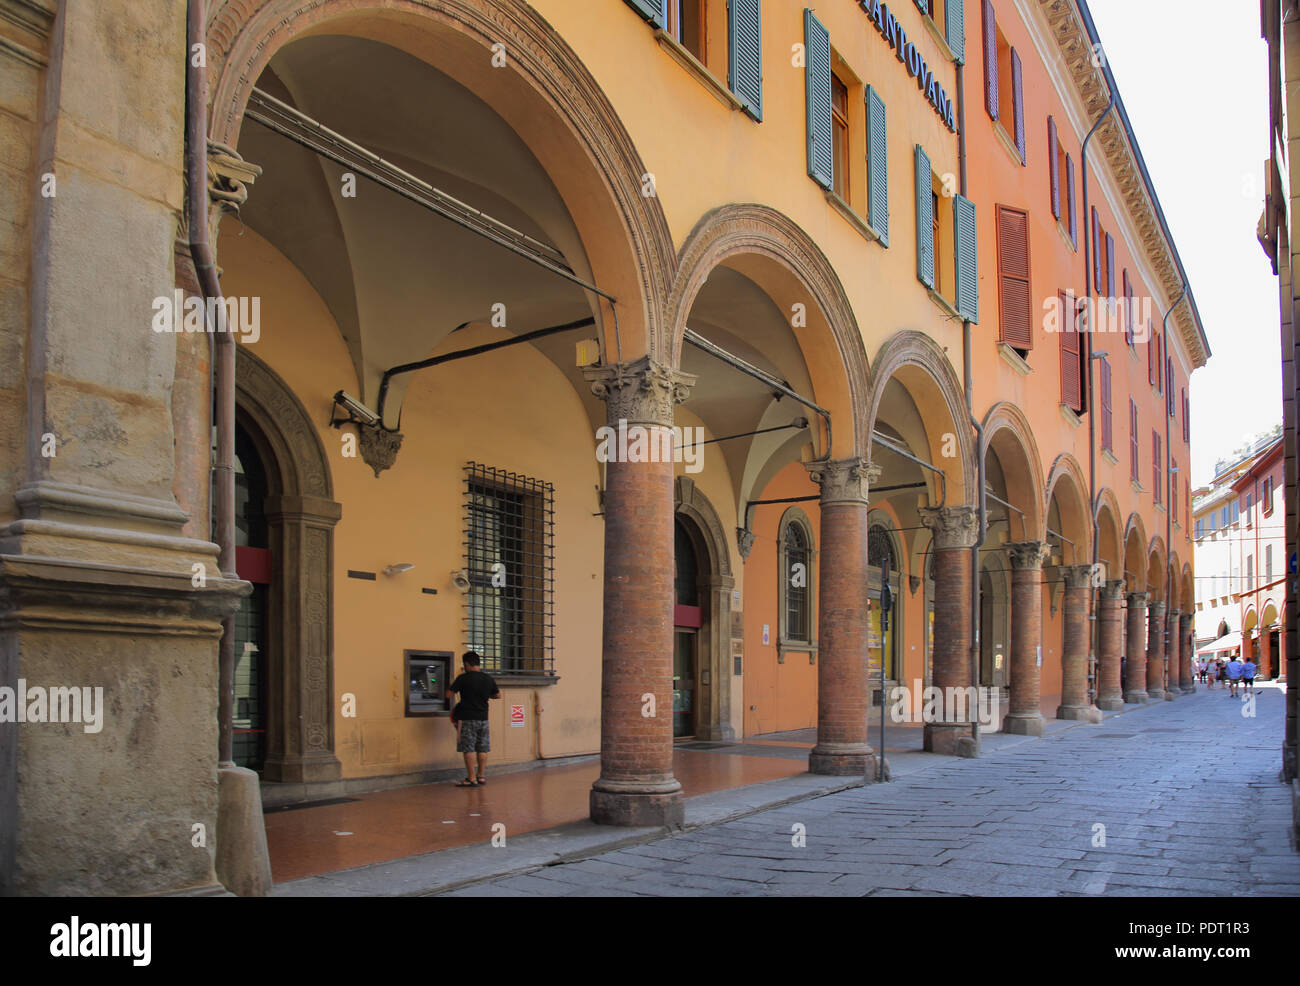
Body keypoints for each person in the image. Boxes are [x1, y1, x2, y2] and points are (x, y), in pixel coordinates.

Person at [446, 650, 500, 786]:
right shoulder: (488, 678)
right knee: (482, 748)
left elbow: (448, 694)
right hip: (483, 718)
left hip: (467, 718)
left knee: (468, 748)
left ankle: (471, 778)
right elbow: (497, 695)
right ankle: (481, 776)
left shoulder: (463, 678)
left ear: (466, 664)